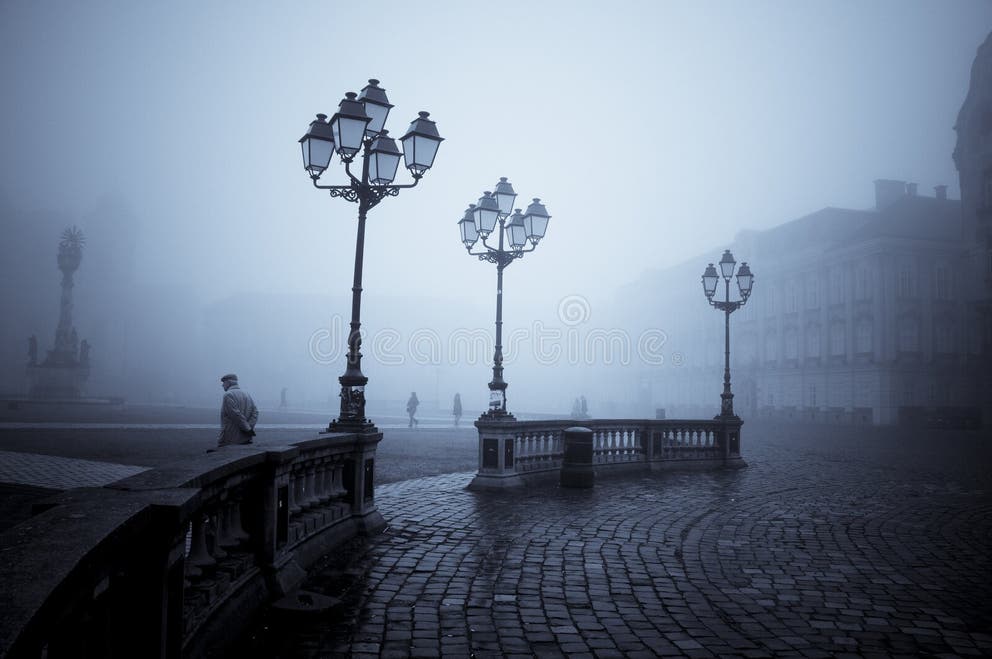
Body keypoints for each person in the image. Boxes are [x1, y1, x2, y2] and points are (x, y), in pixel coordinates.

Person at [218, 373, 258, 447]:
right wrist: (250, 426)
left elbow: (235, 414)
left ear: (229, 382)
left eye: (224, 382)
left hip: (231, 438)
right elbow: (255, 412)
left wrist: (247, 429)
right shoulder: (246, 394)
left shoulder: (228, 395)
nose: (222, 385)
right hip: (246, 438)